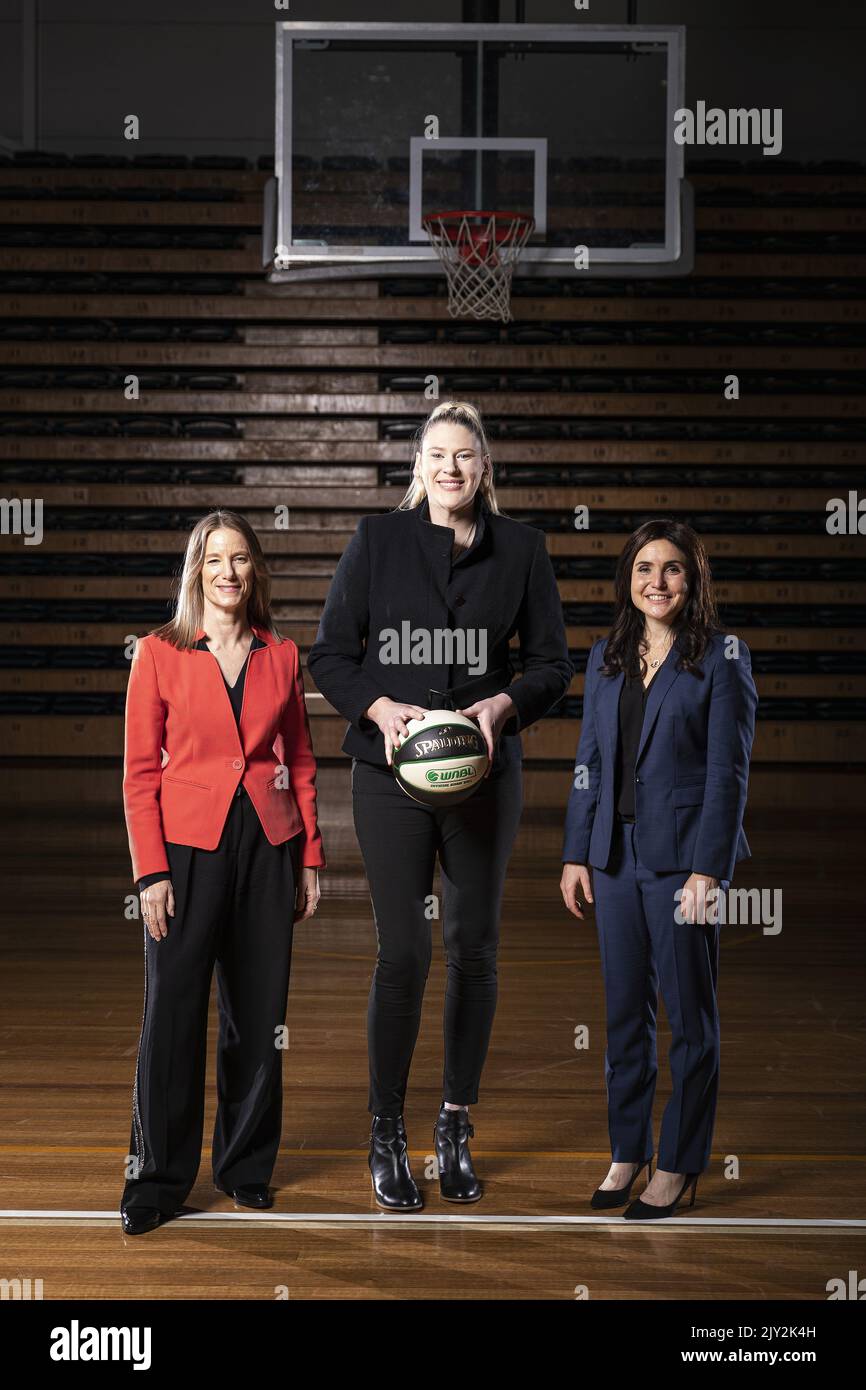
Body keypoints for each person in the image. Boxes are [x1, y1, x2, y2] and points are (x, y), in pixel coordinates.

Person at [308, 400, 572, 1211]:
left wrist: (502, 706)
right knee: (404, 954)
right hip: (391, 778)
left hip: (481, 776)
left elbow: (554, 664)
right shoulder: (376, 542)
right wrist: (379, 709)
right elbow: (330, 653)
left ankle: (455, 1121)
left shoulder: (523, 550)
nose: (451, 468)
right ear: (416, 467)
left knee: (475, 947)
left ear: (485, 468)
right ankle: (385, 1129)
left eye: (466, 456)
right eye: (437, 455)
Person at [120, 508, 324, 1235]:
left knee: (259, 1019)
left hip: (267, 849)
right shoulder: (159, 652)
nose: (229, 573)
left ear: (255, 569)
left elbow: (297, 759)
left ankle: (244, 1168)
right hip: (185, 851)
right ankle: (157, 1178)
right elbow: (139, 775)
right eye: (215, 559)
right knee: (172, 1016)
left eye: (240, 559)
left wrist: (308, 856)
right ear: (196, 570)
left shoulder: (282, 653)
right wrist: (150, 874)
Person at [560, 519, 757, 1220]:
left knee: (690, 1023)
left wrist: (710, 872)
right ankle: (627, 1151)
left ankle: (677, 1164)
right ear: (629, 579)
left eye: (672, 569)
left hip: (681, 868)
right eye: (645, 568)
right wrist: (576, 851)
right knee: (623, 1018)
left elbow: (727, 776)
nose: (658, 582)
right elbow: (588, 763)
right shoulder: (607, 655)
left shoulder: (722, 657)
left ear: (693, 579)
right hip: (613, 861)